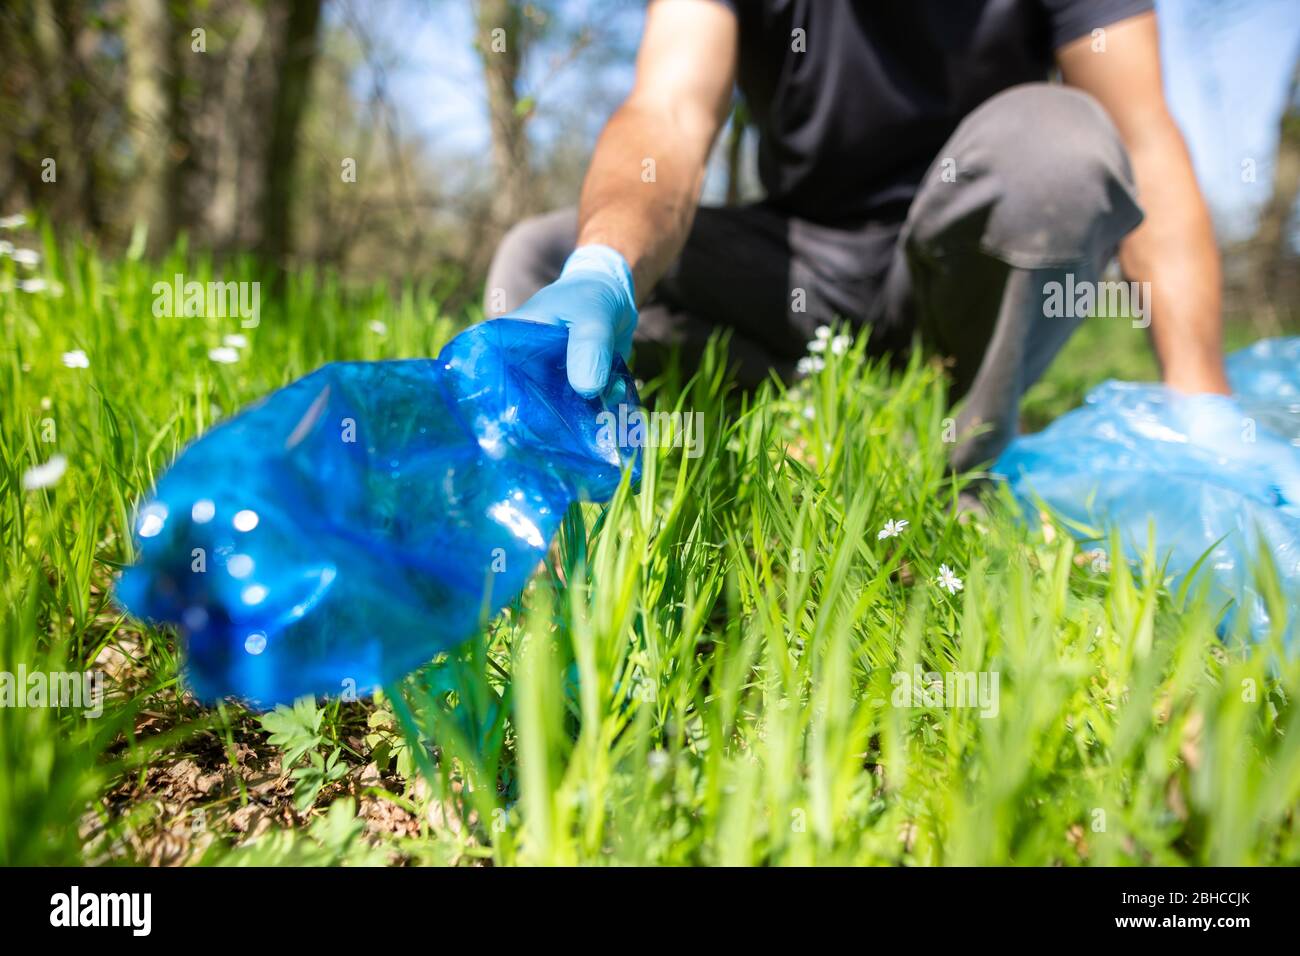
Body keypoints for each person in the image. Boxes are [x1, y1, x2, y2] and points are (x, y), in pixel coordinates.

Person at [482, 0, 1227, 474]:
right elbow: (667, 112)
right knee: (541, 258)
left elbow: (1147, 145)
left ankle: (958, 464)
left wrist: (1200, 399)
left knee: (1068, 154)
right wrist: (604, 265)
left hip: (960, 270)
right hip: (802, 267)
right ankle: (561, 483)